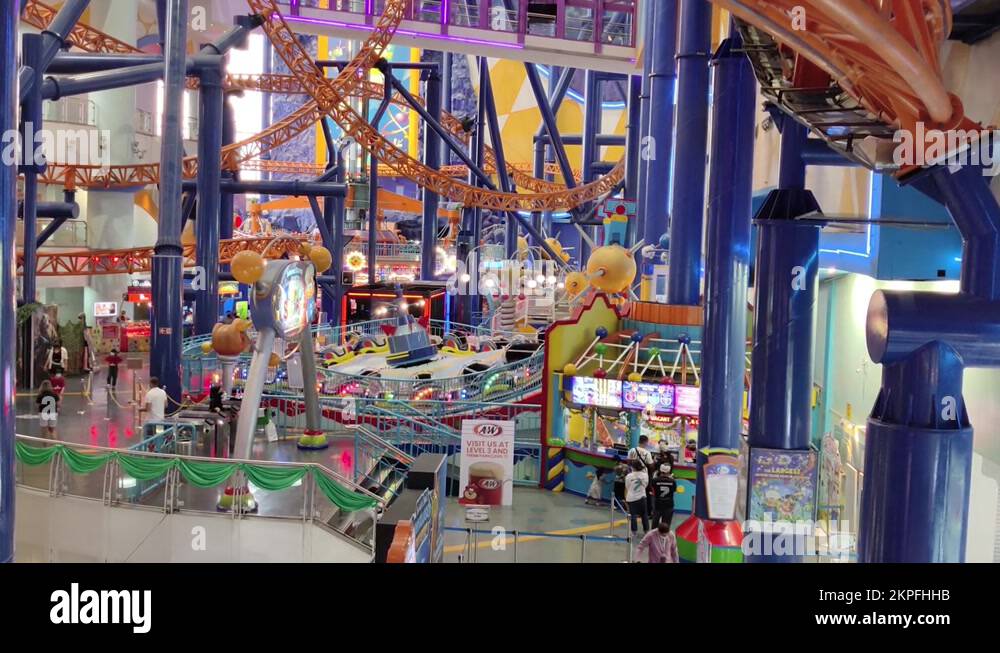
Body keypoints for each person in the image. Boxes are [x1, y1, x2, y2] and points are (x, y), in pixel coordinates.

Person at [625, 459, 650, 536]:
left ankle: (634, 532)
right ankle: (646, 531)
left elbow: (627, 486)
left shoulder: (629, 476)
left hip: (631, 498)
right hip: (642, 497)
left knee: (633, 515)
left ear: (633, 467)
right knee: (644, 515)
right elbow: (646, 485)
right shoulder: (645, 475)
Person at [651, 462, 678, 531]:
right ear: (669, 471)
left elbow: (652, 489)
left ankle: (653, 537)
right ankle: (664, 537)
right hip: (668, 504)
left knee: (655, 523)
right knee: (666, 524)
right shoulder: (672, 481)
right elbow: (674, 490)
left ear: (660, 470)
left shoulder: (655, 480)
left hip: (658, 504)